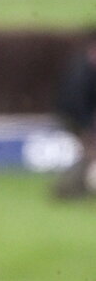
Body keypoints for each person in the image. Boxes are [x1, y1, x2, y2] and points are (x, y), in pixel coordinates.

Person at [52, 39, 96, 199]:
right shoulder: (82, 73)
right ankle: (67, 190)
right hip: (74, 118)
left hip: (76, 117)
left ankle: (67, 190)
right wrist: (86, 128)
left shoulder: (85, 67)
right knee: (90, 152)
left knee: (89, 153)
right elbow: (75, 103)